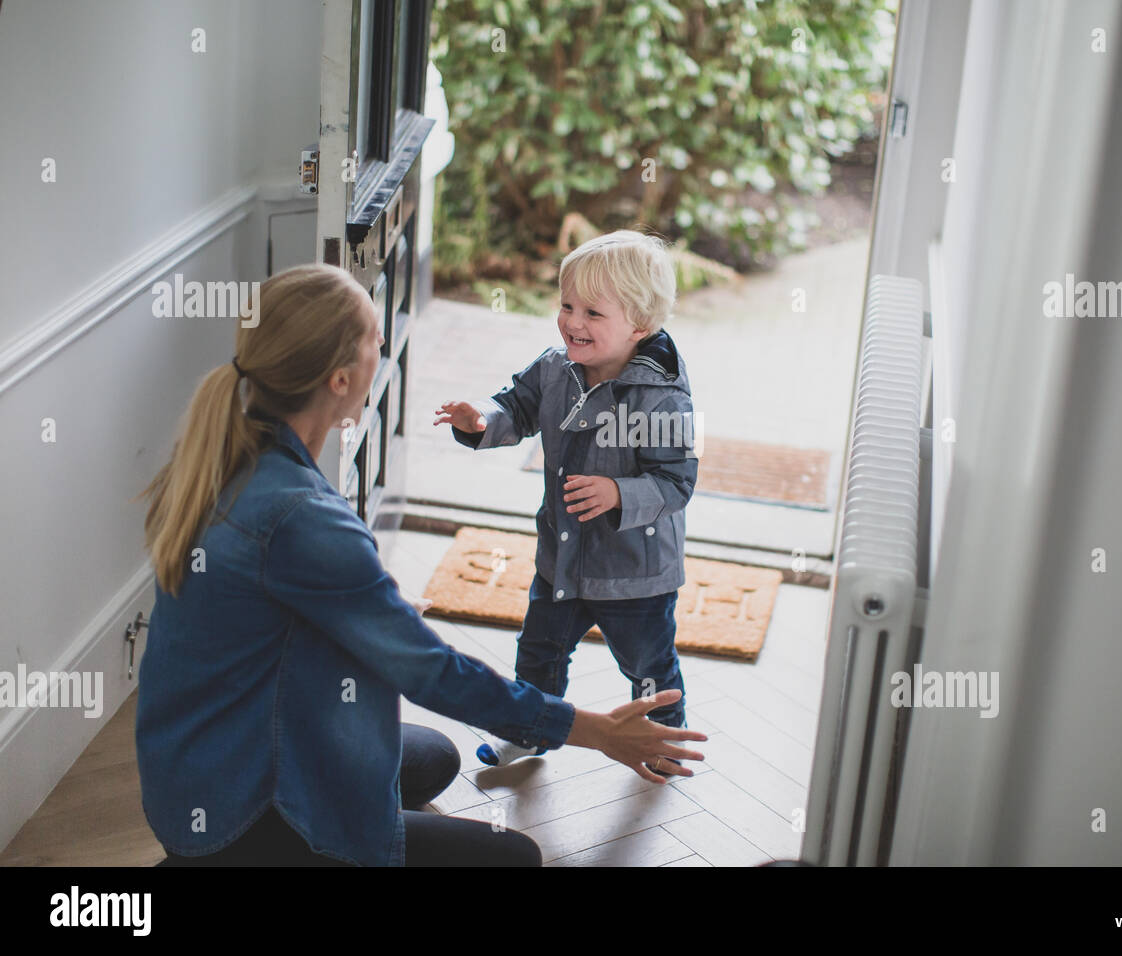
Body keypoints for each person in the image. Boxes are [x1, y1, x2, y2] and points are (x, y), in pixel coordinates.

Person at [134, 262, 705, 867]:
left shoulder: (237, 455)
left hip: (201, 767)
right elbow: (432, 672)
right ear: (340, 379)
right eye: (376, 343)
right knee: (515, 859)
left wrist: (369, 609)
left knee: (435, 756)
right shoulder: (300, 516)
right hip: (243, 808)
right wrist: (597, 731)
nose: (385, 352)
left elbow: (268, 612)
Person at [435, 230, 698, 769]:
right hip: (562, 559)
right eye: (567, 305)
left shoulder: (662, 397)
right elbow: (517, 406)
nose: (573, 322)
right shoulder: (555, 369)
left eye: (593, 313)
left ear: (640, 326)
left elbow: (676, 483)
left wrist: (618, 492)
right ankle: (528, 730)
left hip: (635, 573)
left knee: (647, 663)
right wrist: (481, 419)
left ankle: (663, 737)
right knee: (538, 653)